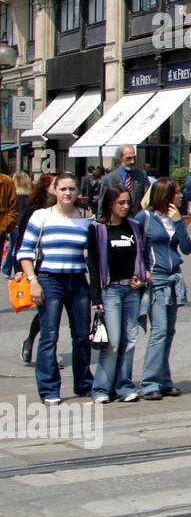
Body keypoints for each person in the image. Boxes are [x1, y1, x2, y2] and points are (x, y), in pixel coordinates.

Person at [17, 172, 93, 406]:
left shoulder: (86, 218)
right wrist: (33, 281)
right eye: (63, 189)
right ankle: (49, 389)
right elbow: (25, 252)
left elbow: (96, 253)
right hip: (49, 280)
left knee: (81, 335)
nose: (68, 193)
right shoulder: (41, 216)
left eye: (72, 189)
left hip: (78, 280)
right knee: (49, 335)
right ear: (55, 191)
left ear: (77, 192)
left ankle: (83, 384)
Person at [87, 185, 148, 404]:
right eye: (120, 202)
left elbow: (142, 257)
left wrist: (140, 277)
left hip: (131, 290)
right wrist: (95, 299)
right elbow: (93, 266)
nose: (125, 206)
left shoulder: (134, 226)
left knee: (130, 340)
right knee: (112, 341)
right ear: (109, 204)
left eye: (127, 202)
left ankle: (124, 386)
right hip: (110, 290)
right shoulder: (97, 229)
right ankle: (101, 388)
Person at [136, 178, 191, 400]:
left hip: (173, 277)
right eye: (177, 193)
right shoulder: (145, 218)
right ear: (165, 195)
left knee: (169, 331)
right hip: (156, 279)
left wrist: (179, 223)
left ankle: (164, 379)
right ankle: (149, 382)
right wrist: (142, 272)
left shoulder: (175, 218)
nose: (180, 196)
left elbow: (186, 248)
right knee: (159, 330)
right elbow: (136, 246)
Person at [6, 172, 55, 365]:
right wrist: (19, 268)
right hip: (38, 267)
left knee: (51, 312)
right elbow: (21, 243)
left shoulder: (66, 212)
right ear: (46, 189)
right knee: (48, 310)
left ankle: (37, 345)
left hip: (58, 268)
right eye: (56, 187)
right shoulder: (34, 211)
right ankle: (36, 345)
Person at [111, 145, 150, 216]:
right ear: (120, 158)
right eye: (128, 158)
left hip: (136, 218)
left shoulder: (141, 175)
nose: (132, 161)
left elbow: (148, 197)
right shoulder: (110, 178)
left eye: (134, 158)